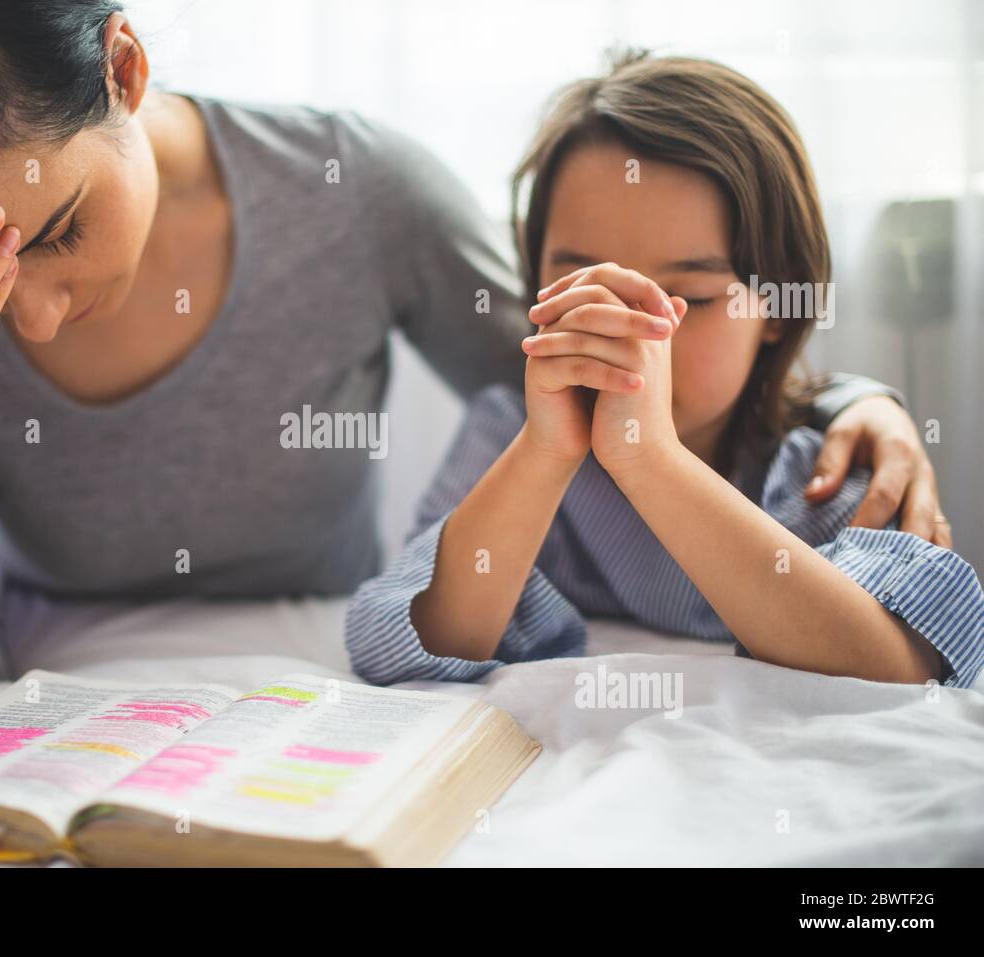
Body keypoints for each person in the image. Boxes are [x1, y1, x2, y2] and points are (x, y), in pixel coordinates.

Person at [0, 3, 942, 710]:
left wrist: (850, 394)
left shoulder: (355, 190)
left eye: (59, 231)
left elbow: (602, 352)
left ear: (124, 68)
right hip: (68, 661)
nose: (36, 321)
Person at [345, 52, 981, 688]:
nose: (626, 333)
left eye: (691, 300)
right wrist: (543, 454)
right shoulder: (507, 433)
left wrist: (650, 457)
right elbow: (396, 648)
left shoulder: (824, 465)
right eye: (582, 285)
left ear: (778, 306)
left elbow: (909, 669)